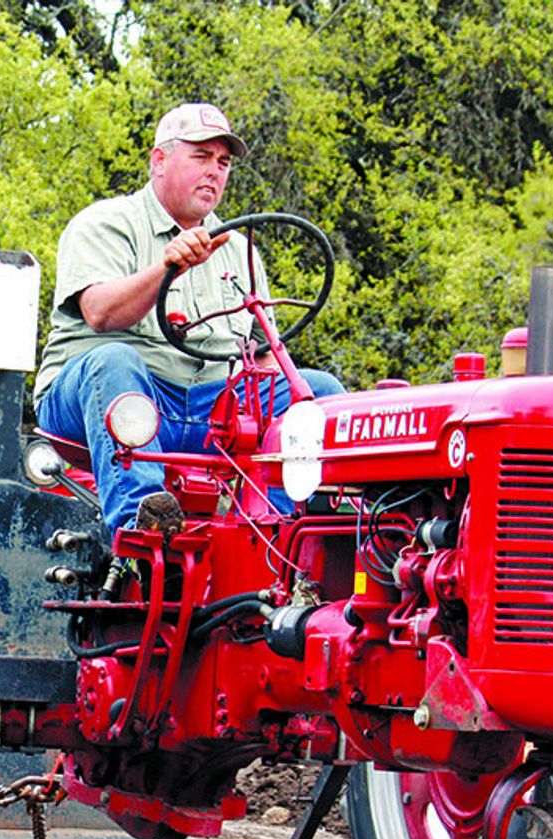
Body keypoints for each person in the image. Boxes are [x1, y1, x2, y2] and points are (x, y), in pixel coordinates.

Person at [34, 103, 344, 534]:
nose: (214, 172)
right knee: (114, 361)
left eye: (223, 162)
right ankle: (143, 532)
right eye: (201, 157)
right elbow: (100, 313)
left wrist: (299, 401)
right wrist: (168, 268)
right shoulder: (105, 224)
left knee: (322, 395)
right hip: (105, 400)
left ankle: (281, 536)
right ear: (159, 160)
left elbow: (265, 353)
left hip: (208, 407)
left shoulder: (239, 250)